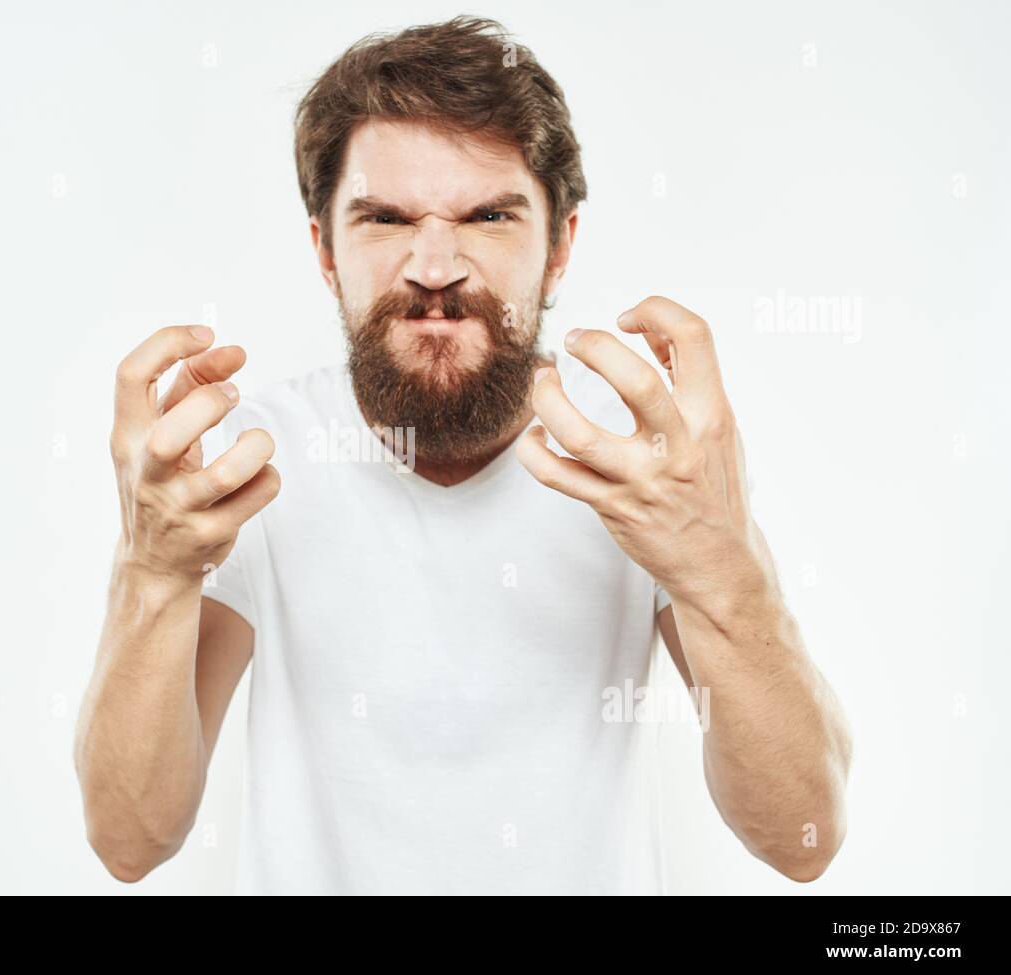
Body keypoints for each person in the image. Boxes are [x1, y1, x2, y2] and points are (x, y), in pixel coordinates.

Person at [73, 15, 852, 894]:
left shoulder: (642, 467)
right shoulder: (250, 464)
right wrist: (151, 570)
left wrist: (721, 563)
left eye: (487, 216)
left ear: (558, 248)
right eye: (384, 218)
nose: (435, 265)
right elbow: (130, 842)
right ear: (326, 253)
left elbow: (801, 839)